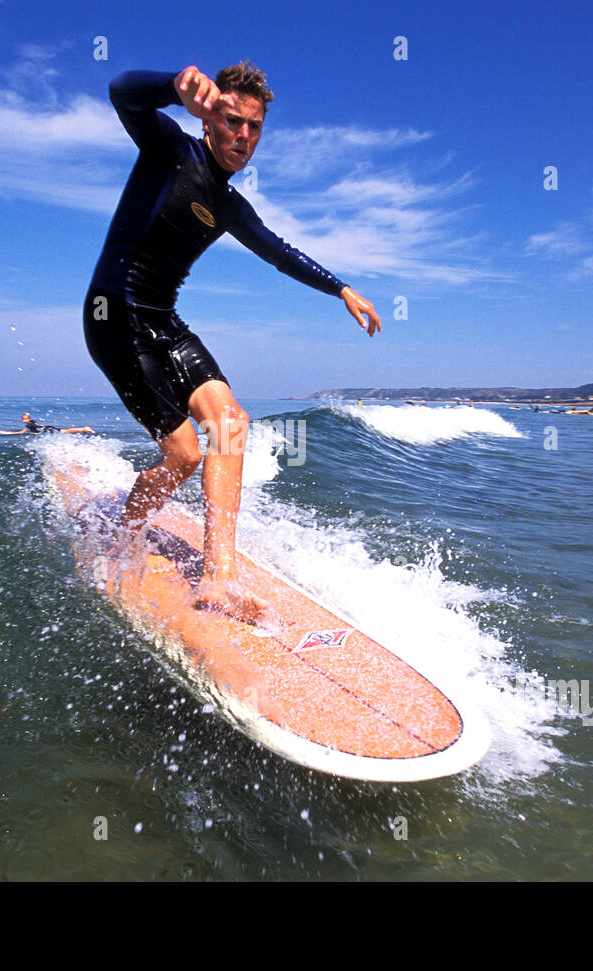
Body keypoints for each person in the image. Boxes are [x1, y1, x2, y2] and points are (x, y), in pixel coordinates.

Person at [83, 62, 380, 621]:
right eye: (231, 120)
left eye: (254, 127)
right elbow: (121, 93)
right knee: (183, 452)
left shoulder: (231, 206)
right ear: (208, 119)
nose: (242, 135)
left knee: (230, 423)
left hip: (163, 322)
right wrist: (173, 85)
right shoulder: (168, 148)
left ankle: (219, 581)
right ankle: (121, 536)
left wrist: (339, 287)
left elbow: (278, 252)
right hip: (112, 315)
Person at [22, 413, 95, 435]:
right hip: (48, 428)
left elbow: (34, 426)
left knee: (65, 431)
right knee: (65, 431)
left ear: (29, 419)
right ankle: (84, 429)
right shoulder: (32, 422)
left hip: (48, 430)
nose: (24, 420)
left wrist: (12, 433)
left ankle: (84, 429)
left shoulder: (29, 424)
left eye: (25, 419)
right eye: (23, 419)